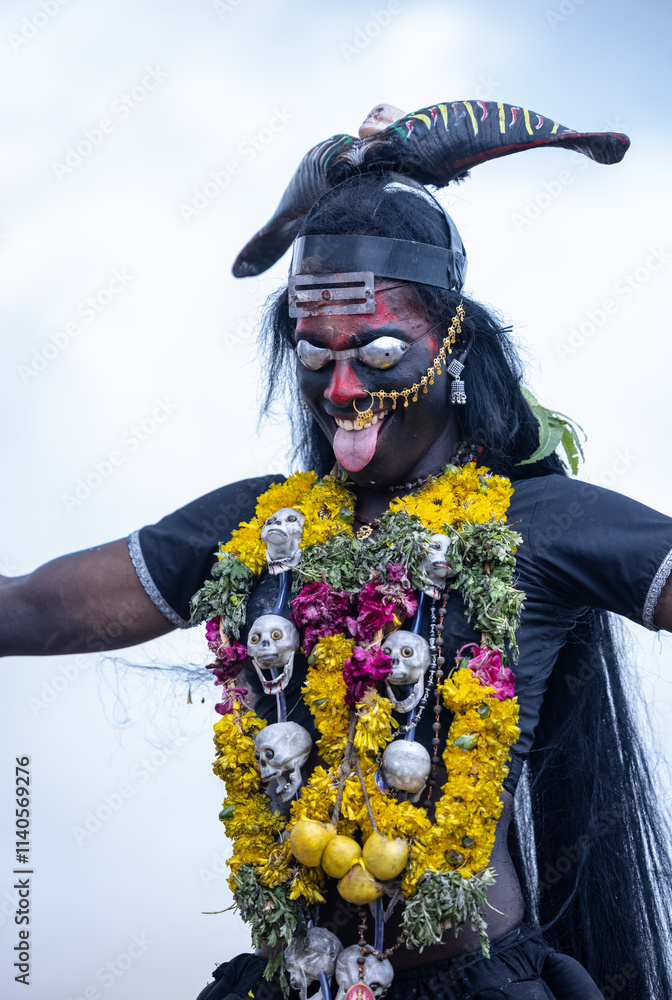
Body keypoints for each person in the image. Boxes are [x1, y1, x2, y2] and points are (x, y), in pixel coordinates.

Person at [2, 100, 672, 999]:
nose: (343, 386)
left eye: (380, 352)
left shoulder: (540, 524)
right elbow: (31, 608)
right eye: (314, 356)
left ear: (455, 345)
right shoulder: (255, 526)